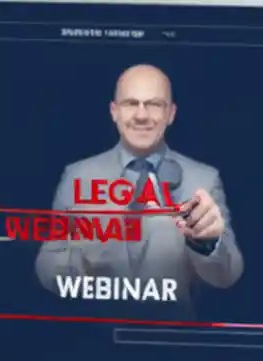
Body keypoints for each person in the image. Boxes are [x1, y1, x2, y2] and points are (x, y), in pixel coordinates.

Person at [35, 64, 244, 312]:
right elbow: (48, 265)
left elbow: (227, 275)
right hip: (94, 335)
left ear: (171, 114)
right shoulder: (79, 175)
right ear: (114, 111)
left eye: (154, 104)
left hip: (172, 337)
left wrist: (206, 243)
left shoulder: (203, 180)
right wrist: (77, 259)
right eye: (131, 103)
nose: (141, 115)